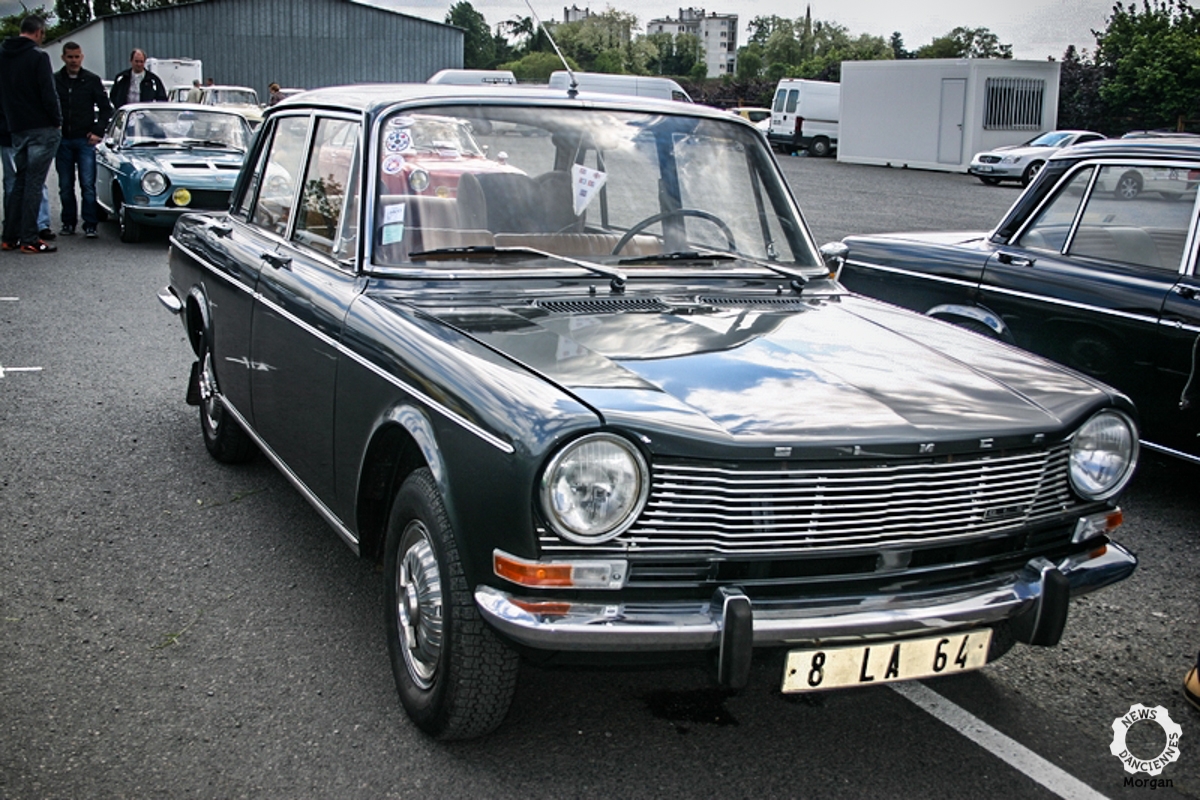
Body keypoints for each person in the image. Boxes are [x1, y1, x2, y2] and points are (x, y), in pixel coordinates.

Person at [0, 15, 62, 254]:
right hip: (41, 126)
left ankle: (9, 236)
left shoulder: (3, 55)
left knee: (20, 181)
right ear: (38, 32)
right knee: (34, 183)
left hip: (16, 126)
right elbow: (48, 92)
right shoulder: (38, 57)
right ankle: (29, 238)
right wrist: (57, 121)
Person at [54, 41, 111, 238]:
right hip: (63, 140)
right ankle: (68, 222)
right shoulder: (55, 80)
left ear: (82, 57)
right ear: (63, 58)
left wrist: (97, 131)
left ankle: (90, 224)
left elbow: (106, 109)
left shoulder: (91, 80)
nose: (73, 61)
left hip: (85, 140)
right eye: (70, 57)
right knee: (65, 185)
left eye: (76, 57)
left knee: (87, 184)